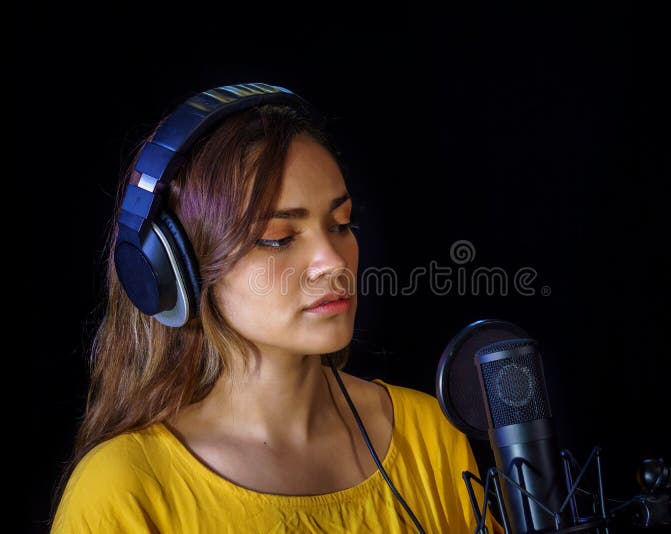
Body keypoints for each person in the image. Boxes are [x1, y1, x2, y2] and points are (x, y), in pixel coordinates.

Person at [50, 83, 501, 533]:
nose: (333, 262)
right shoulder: (124, 491)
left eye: (342, 224)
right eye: (279, 238)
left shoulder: (431, 437)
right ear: (175, 270)